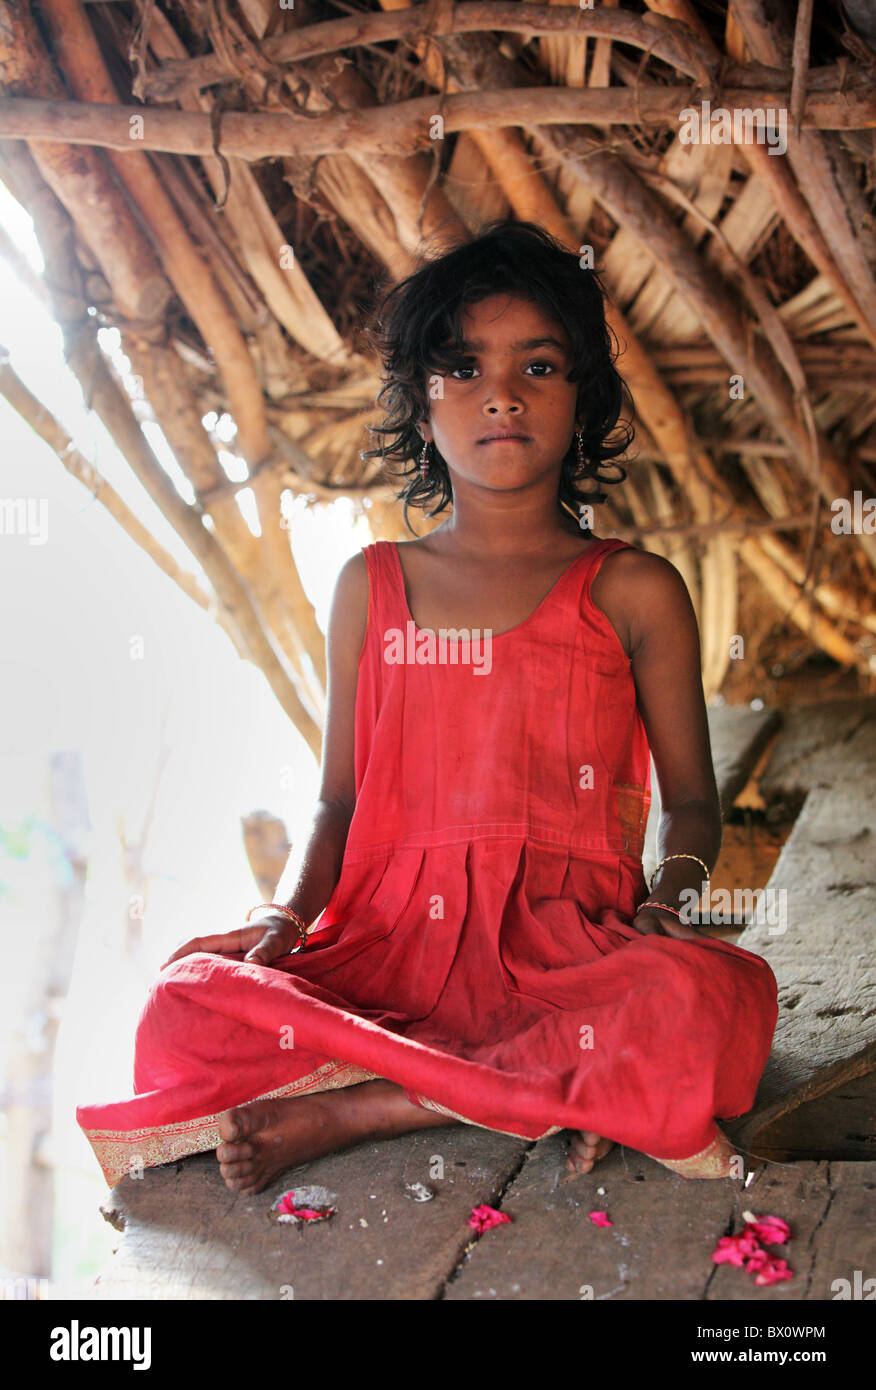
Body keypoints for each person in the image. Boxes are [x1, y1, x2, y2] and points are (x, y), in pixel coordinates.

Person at [77, 220, 778, 1194]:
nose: (502, 392)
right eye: (463, 367)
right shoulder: (371, 586)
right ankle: (549, 1092)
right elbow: (337, 803)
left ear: (586, 398)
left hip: (567, 960)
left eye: (540, 364)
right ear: (421, 402)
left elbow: (693, 806)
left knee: (692, 999)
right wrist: (285, 920)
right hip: (386, 955)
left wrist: (669, 902)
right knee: (181, 1003)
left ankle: (359, 1105)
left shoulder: (635, 589)